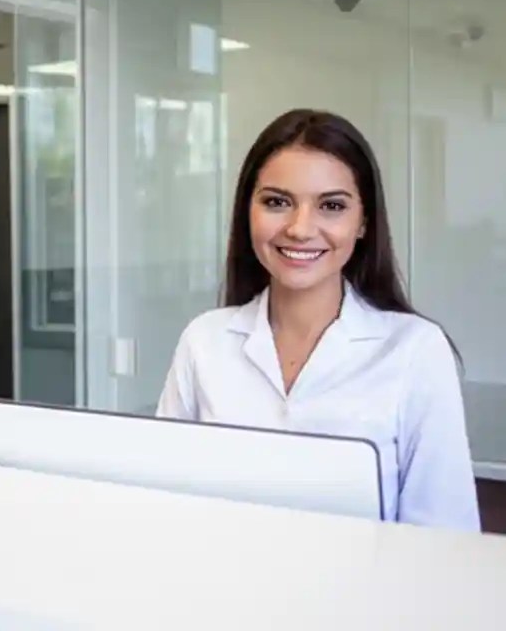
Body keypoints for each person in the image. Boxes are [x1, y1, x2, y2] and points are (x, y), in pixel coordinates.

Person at [156, 108, 480, 531]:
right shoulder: (205, 341)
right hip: (226, 589)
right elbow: (160, 502)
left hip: (366, 594)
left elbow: (446, 534)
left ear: (363, 222)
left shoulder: (415, 350)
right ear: (246, 211)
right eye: (277, 202)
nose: (300, 229)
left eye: (331, 206)